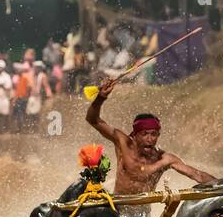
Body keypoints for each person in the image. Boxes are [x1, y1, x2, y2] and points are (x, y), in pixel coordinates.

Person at [85, 81, 216, 194]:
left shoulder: (165, 159)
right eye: (145, 134)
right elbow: (93, 120)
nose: (150, 139)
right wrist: (101, 97)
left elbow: (197, 175)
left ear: (158, 135)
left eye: (154, 134)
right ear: (135, 135)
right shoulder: (122, 142)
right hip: (117, 208)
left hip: (142, 213)